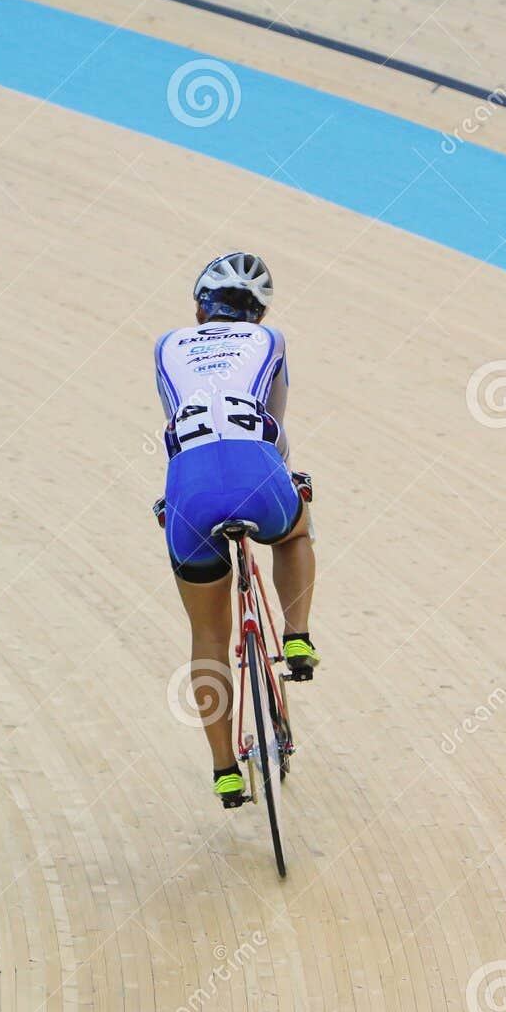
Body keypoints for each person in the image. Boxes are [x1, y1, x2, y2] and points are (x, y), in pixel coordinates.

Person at [155, 252, 317, 808]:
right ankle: (296, 636)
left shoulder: (166, 345)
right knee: (294, 530)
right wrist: (286, 481)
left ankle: (225, 769)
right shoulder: (270, 342)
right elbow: (276, 427)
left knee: (207, 637)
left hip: (191, 488)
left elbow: (176, 424)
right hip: (256, 474)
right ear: (258, 313)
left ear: (199, 308)